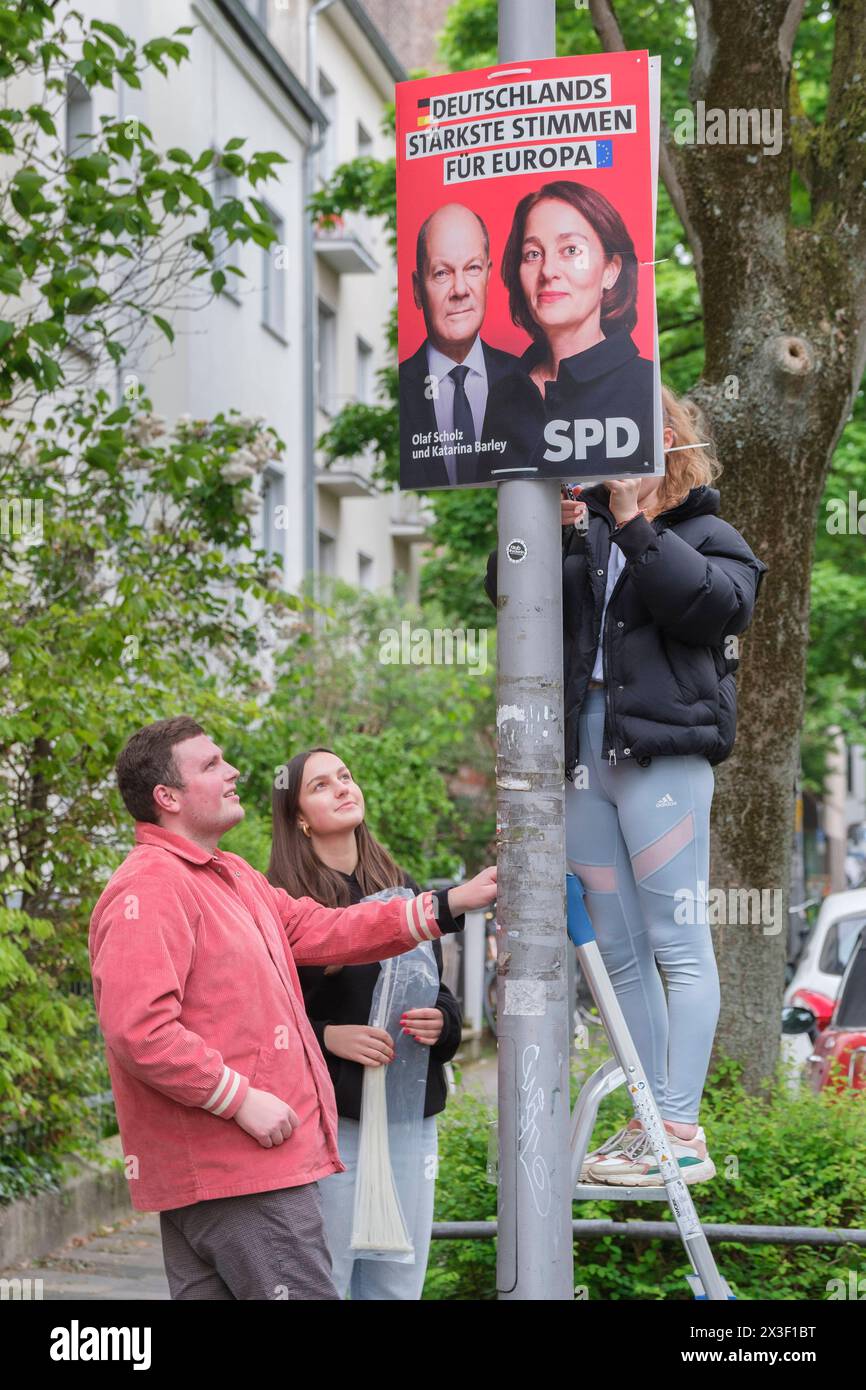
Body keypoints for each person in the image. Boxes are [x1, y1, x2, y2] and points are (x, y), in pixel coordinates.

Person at [89, 717, 496, 1299]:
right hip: (243, 1170)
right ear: (167, 797)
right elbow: (139, 1030)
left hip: (242, 1171)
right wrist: (240, 1099)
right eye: (210, 766)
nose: (233, 773)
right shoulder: (151, 887)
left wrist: (450, 903)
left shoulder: (230, 876)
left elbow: (326, 929)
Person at [484, 386, 768, 1185]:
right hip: (584, 758)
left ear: (668, 442)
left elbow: (709, 609)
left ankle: (680, 1125)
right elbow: (506, 597)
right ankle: (647, 1121)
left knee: (680, 943)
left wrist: (636, 520)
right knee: (616, 952)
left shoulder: (712, 534)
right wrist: (564, 532)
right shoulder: (587, 533)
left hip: (661, 762)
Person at [268, 747, 461, 1300]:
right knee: (329, 1274)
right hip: (334, 1118)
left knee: (399, 1277)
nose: (342, 789)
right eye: (321, 785)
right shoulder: (281, 899)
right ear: (299, 817)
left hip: (407, 1113)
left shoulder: (404, 887)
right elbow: (269, 1013)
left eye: (346, 778)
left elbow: (440, 989)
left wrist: (441, 1023)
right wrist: (329, 1036)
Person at [478, 180, 655, 483]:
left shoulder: (646, 387)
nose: (547, 271)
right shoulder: (503, 395)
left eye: (571, 250)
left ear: (610, 270)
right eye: (533, 254)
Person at [400, 202, 519, 489]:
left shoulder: (525, 380)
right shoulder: (400, 387)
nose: (461, 289)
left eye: (473, 268)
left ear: (489, 276)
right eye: (442, 273)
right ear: (418, 289)